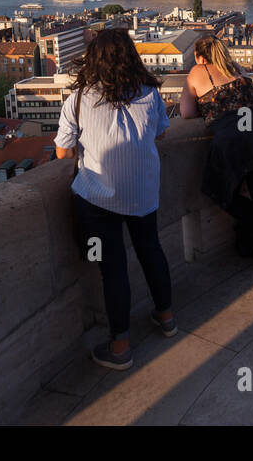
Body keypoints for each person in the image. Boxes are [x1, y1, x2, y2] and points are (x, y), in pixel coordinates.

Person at [55, 28, 174, 371]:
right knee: (152, 251)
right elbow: (161, 132)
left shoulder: (78, 100)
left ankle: (120, 346)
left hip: (97, 198)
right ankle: (166, 317)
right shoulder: (150, 92)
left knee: (113, 270)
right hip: (143, 192)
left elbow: (63, 152)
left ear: (93, 60)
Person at [181, 35, 253, 274]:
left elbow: (186, 113)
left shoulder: (197, 71)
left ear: (200, 57)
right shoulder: (238, 70)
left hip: (232, 138)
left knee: (220, 191)